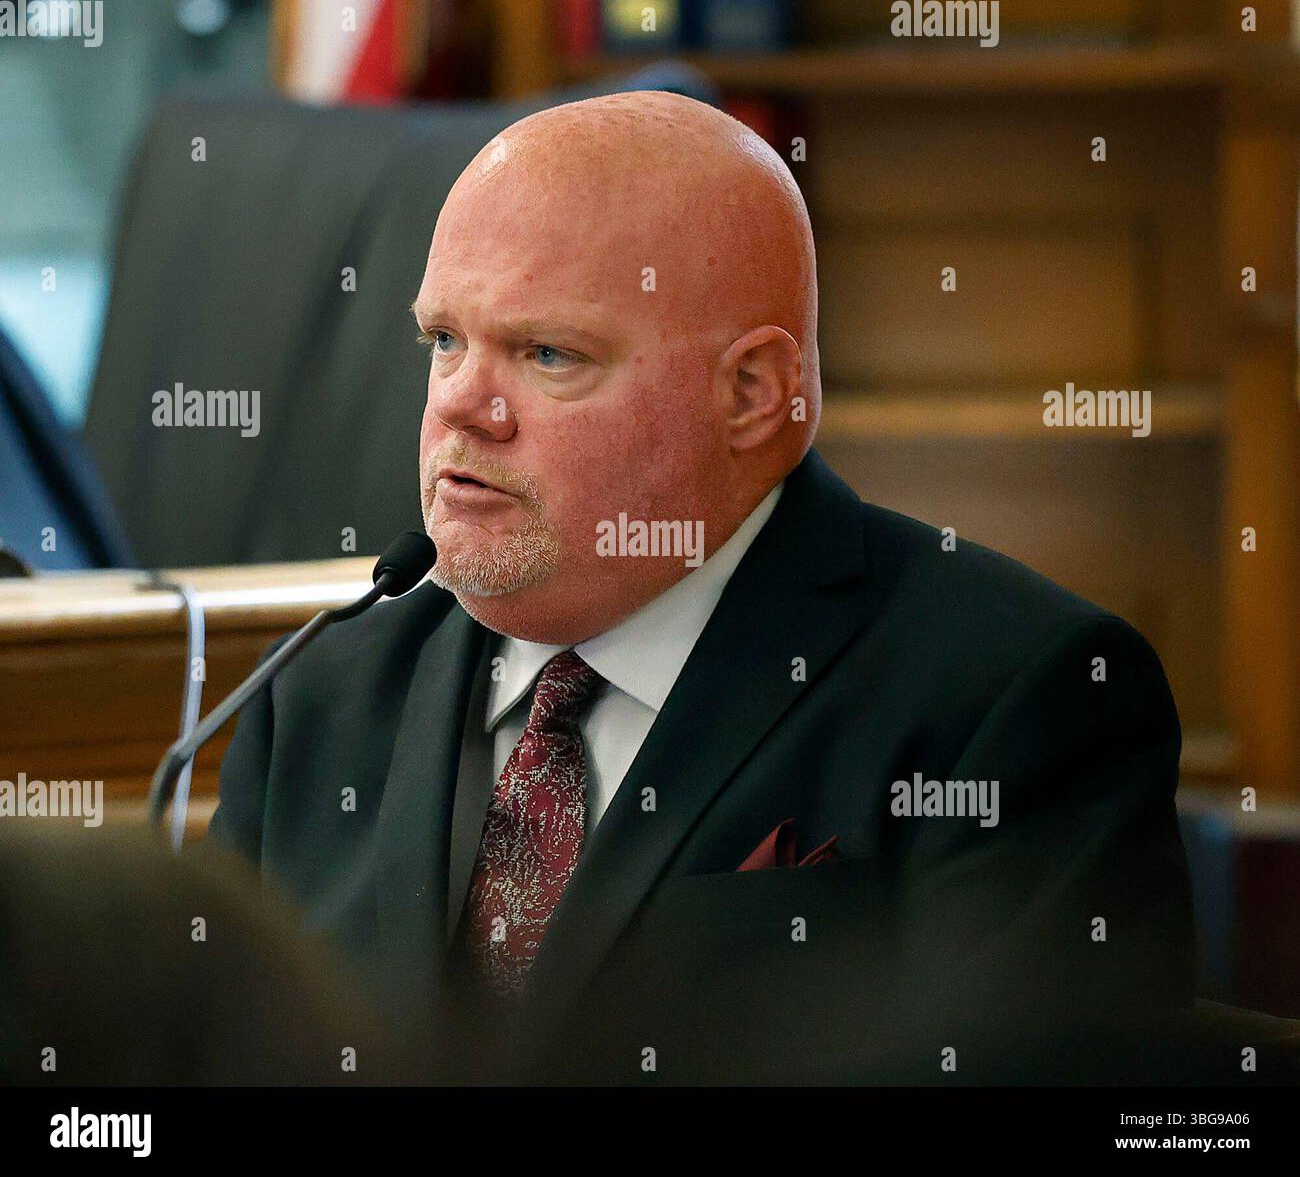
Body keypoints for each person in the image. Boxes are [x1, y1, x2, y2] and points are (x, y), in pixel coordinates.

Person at [209, 90, 1194, 1084]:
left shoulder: (1012, 699)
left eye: (547, 352)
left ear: (750, 393)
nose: (463, 406)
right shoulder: (317, 695)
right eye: (444, 342)